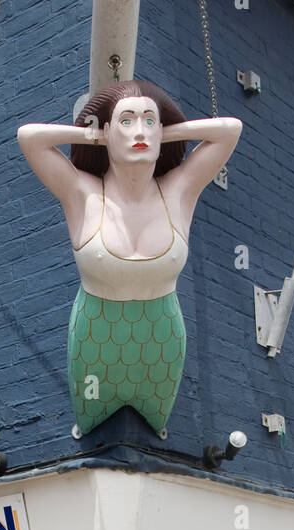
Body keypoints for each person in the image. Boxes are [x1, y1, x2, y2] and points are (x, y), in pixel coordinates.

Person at [18, 81, 241, 438]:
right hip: (94, 337)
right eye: (126, 121)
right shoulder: (82, 192)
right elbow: (29, 137)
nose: (140, 131)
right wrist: (94, 135)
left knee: (154, 438)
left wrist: (167, 132)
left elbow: (230, 130)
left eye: (149, 121)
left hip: (163, 339)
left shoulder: (179, 191)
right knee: (92, 436)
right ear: (106, 131)